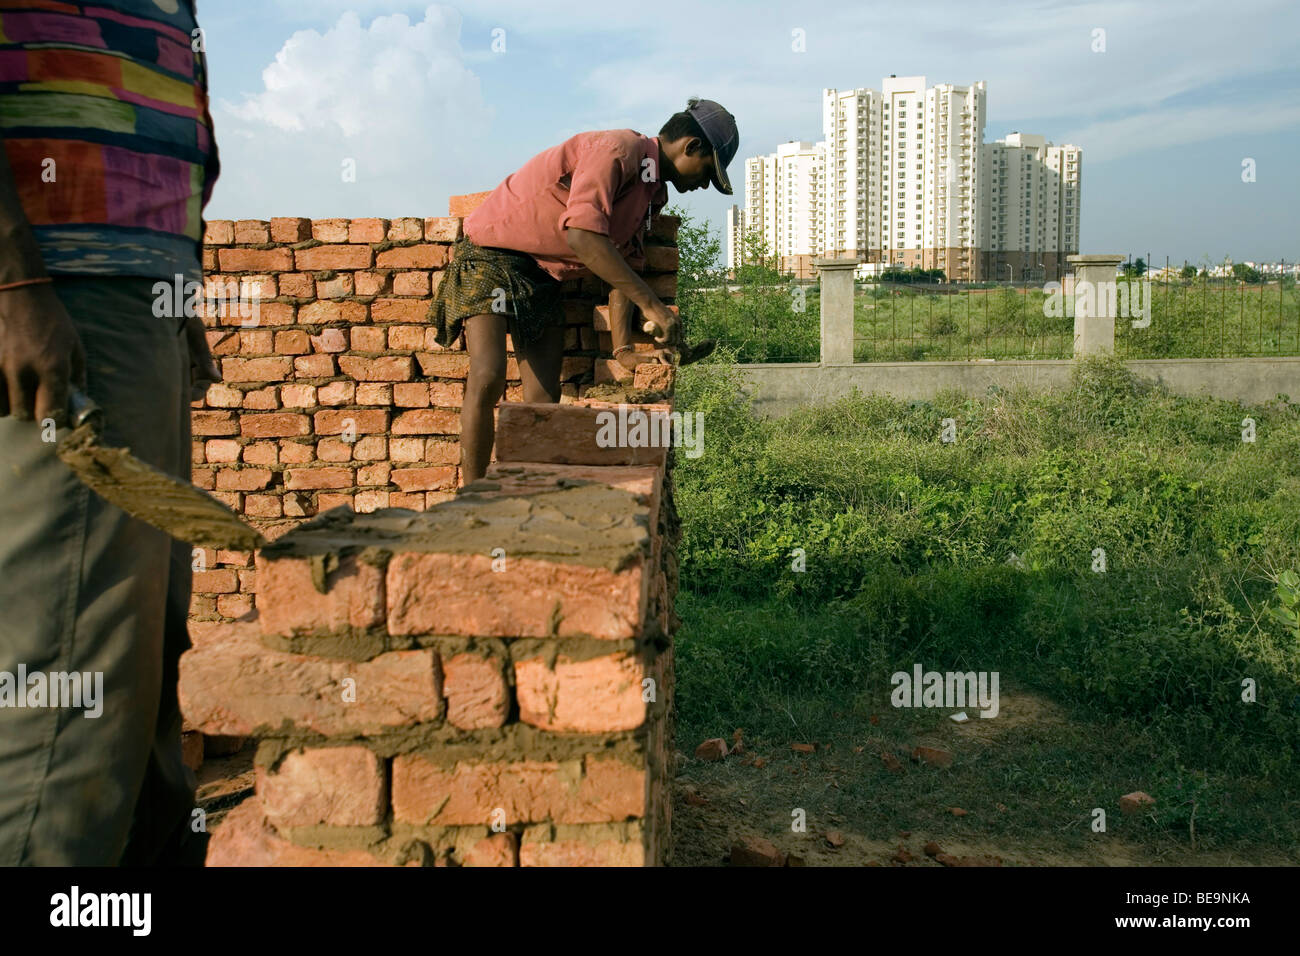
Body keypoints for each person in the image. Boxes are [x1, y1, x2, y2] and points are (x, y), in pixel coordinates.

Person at [0, 0, 221, 865]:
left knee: (147, 646)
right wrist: (15, 283)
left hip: (135, 291)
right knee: (73, 668)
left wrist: (181, 285)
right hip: (61, 283)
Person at [429, 97, 739, 484]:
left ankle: (525, 492)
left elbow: (622, 269)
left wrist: (624, 349)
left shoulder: (652, 192)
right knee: (488, 373)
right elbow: (583, 236)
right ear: (691, 146)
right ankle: (471, 495)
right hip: (492, 255)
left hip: (542, 275)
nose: (702, 185)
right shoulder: (618, 149)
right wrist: (654, 305)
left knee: (544, 400)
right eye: (707, 172)